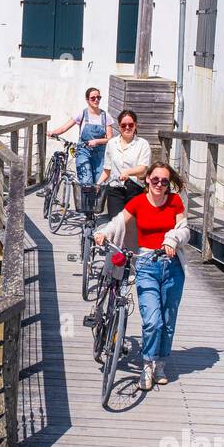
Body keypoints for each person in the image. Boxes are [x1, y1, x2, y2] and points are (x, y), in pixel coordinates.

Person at [94, 162, 190, 391]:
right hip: (147, 264)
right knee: (153, 320)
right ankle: (147, 364)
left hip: (173, 266)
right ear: (147, 180)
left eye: (164, 181)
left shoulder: (175, 201)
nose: (159, 184)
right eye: (155, 180)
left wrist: (172, 239)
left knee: (168, 320)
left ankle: (160, 363)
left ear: (168, 184)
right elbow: (119, 221)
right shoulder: (138, 202)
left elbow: (184, 229)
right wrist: (104, 232)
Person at [47, 88, 112, 187]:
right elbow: (64, 127)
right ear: (87, 100)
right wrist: (53, 133)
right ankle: (84, 202)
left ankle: (94, 202)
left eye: (98, 97)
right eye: (93, 98)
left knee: (100, 183)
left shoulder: (105, 116)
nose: (96, 100)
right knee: (86, 182)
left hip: (100, 154)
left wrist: (97, 141)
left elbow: (110, 138)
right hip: (83, 151)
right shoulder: (82, 114)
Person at [100, 110, 151, 218]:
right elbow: (107, 170)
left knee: (132, 224)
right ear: (119, 126)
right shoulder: (111, 143)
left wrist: (128, 172)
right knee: (115, 223)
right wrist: (97, 185)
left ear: (135, 125)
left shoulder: (143, 144)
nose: (127, 127)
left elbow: (143, 168)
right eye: (123, 125)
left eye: (130, 125)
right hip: (115, 188)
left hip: (135, 189)